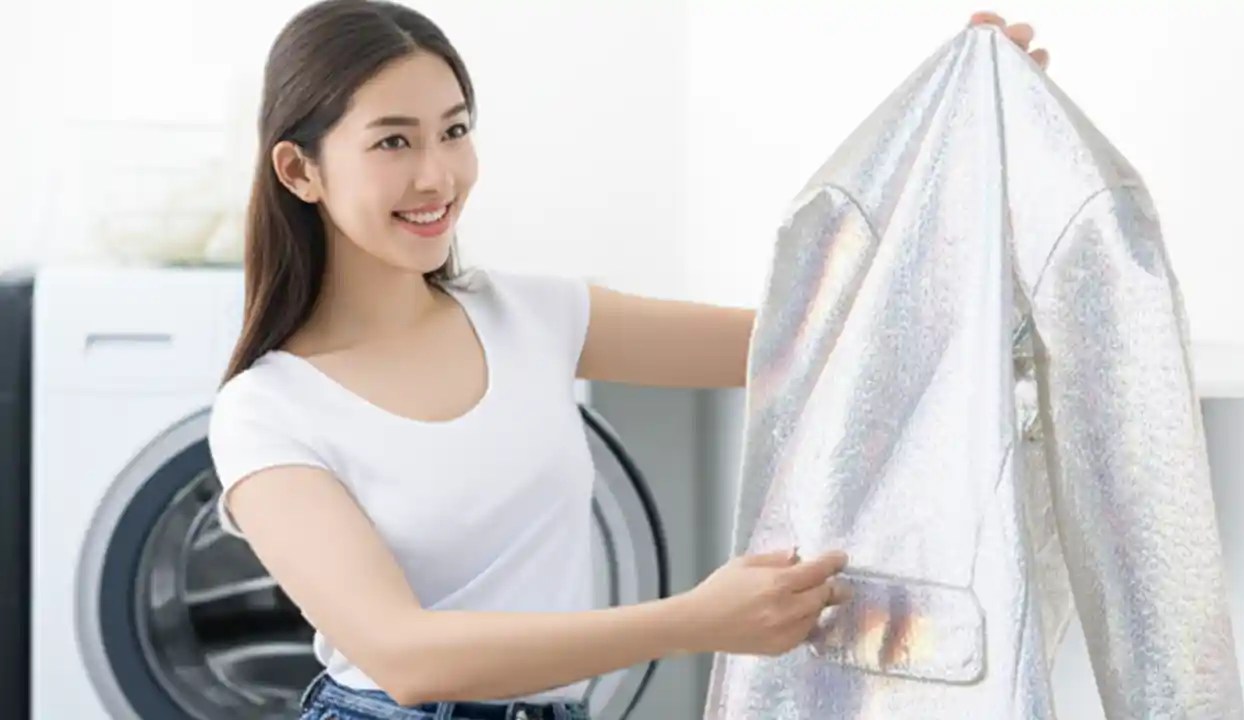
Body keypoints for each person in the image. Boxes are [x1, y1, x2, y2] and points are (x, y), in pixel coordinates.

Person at [207, 2, 1051, 718]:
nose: (438, 175)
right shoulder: (269, 410)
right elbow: (407, 656)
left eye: (454, 131)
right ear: (300, 169)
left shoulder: (533, 317)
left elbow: (828, 339)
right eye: (393, 143)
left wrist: (965, 142)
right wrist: (693, 620)